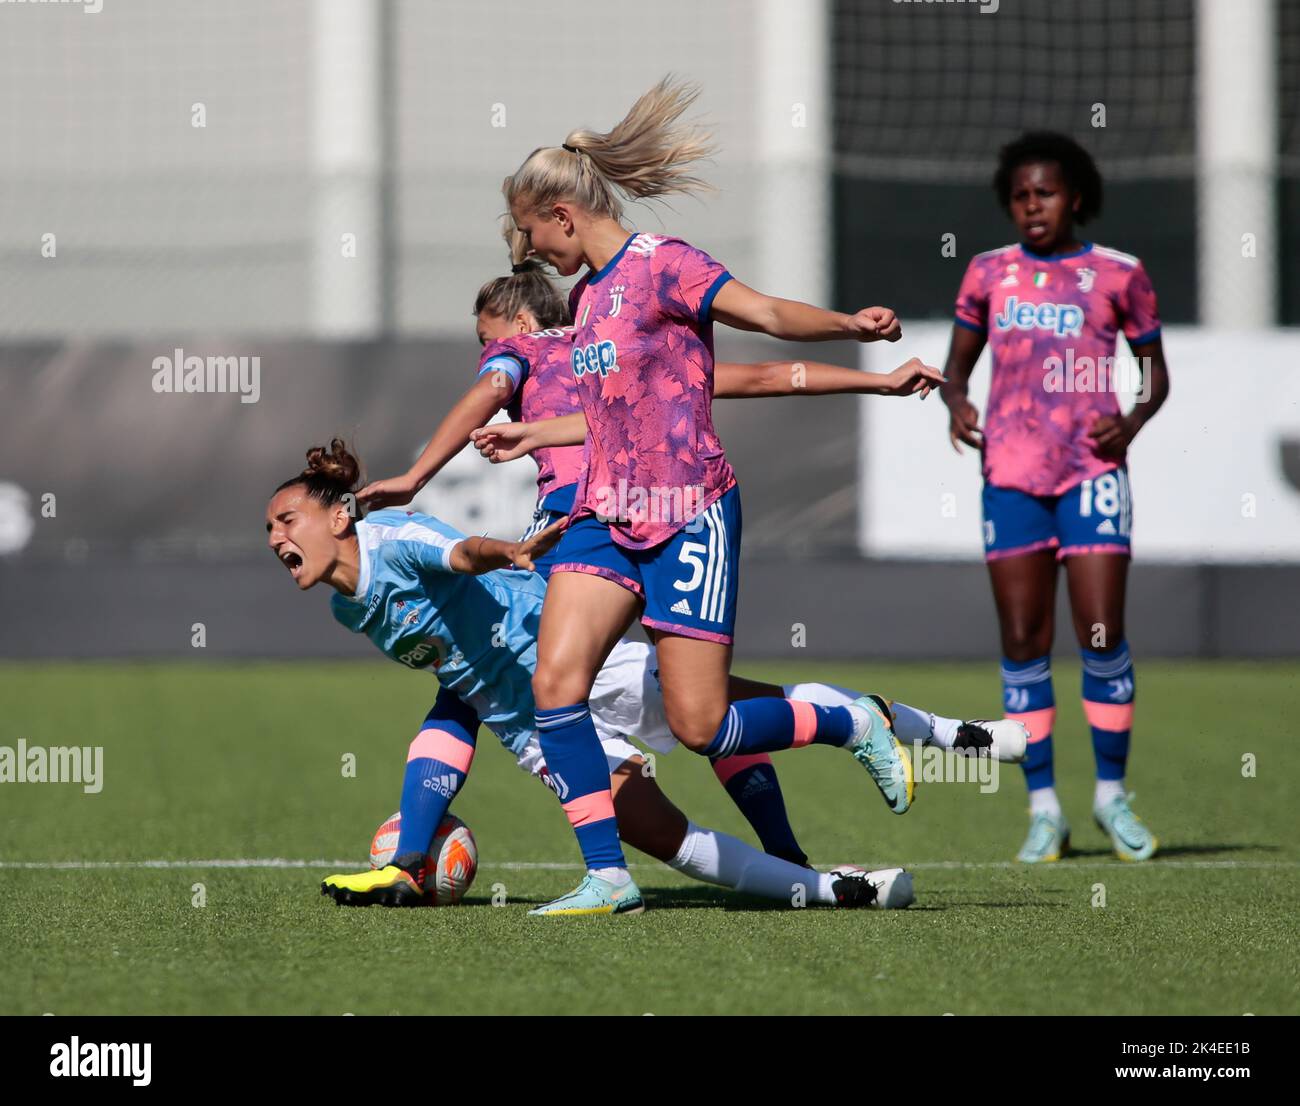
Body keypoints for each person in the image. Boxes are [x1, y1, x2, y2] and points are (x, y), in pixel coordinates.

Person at [497, 76, 935, 916]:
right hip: (602, 516)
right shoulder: (586, 301)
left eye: (529, 231)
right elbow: (600, 416)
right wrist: (533, 436)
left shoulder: (667, 266)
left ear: (561, 213)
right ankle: (608, 876)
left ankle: (848, 721)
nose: (526, 252)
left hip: (689, 512)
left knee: (701, 726)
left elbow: (764, 315)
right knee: (554, 683)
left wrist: (851, 326)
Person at [357, 251, 949, 866]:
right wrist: (877, 382)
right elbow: (767, 376)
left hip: (581, 523)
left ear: (520, 324)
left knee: (474, 676)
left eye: (487, 337)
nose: (485, 350)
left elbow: (495, 385)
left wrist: (418, 475)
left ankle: (495, 857)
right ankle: (788, 844)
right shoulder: (622, 348)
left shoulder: (525, 351)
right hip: (659, 509)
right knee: (695, 698)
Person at [268, 442, 1024, 911]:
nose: (276, 539)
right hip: (529, 724)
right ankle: (836, 890)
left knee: (719, 723)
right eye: (269, 530)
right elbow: (456, 693)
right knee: (662, 837)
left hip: (576, 667)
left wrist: (505, 551)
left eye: (287, 521)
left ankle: (895, 725)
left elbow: (458, 552)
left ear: (338, 517)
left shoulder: (392, 536)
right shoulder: (349, 613)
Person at [938, 131, 1169, 863]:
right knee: (1022, 643)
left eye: (1045, 193)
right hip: (1011, 474)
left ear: (1076, 198)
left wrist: (1131, 420)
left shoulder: (1120, 275)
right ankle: (1044, 811)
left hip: (1093, 474)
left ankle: (1111, 797)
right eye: (1020, 196)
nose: (1032, 206)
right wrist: (957, 404)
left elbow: (1156, 373)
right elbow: (956, 370)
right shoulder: (986, 274)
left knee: (1100, 635)